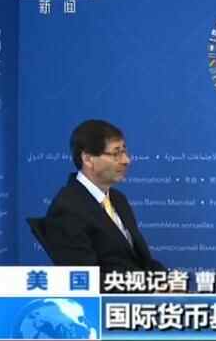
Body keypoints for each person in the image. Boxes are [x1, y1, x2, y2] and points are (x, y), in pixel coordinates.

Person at [42, 119, 165, 287]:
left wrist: (167, 284)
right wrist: (150, 291)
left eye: (125, 151)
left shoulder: (118, 199)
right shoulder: (66, 209)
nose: (126, 160)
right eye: (116, 154)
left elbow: (142, 261)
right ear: (88, 159)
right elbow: (87, 280)